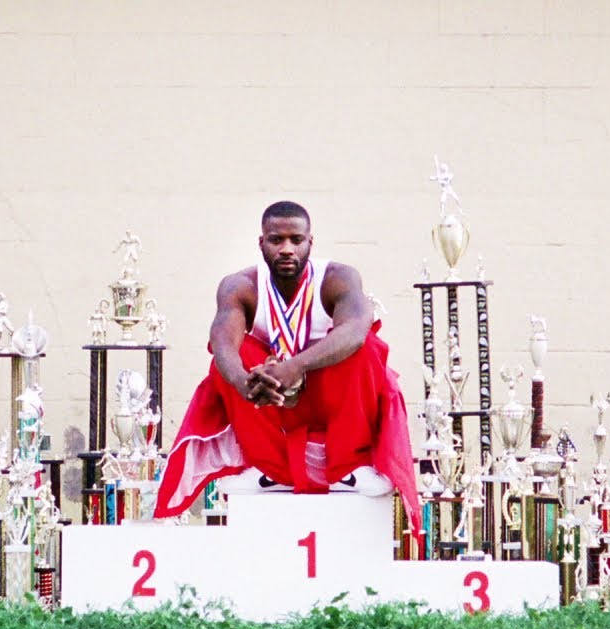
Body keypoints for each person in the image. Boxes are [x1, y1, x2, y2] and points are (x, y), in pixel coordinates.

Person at [152, 201, 420, 533]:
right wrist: (245, 381)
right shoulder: (240, 285)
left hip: (331, 394)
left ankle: (348, 467)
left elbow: (356, 327)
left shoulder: (338, 277)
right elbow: (222, 341)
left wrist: (295, 366)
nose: (287, 249)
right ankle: (270, 470)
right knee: (236, 356)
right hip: (270, 398)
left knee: (366, 349)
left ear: (311, 242)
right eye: (276, 240)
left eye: (296, 239)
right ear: (261, 243)